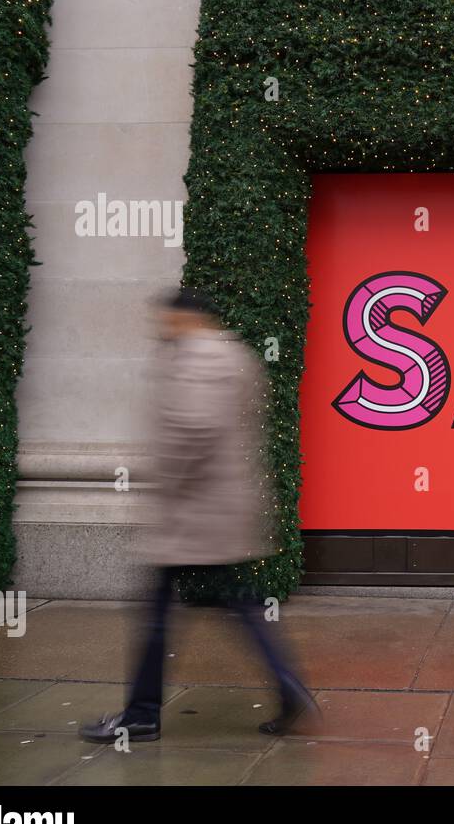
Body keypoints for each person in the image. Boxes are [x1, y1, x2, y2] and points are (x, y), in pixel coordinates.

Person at [80, 287, 316, 744]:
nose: (162, 328)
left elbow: (194, 430)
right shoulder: (235, 354)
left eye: (167, 320)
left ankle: (142, 714)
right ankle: (289, 690)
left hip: (193, 512)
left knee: (157, 616)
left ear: (187, 318)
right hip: (217, 512)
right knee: (240, 605)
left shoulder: (199, 357)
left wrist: (167, 488)